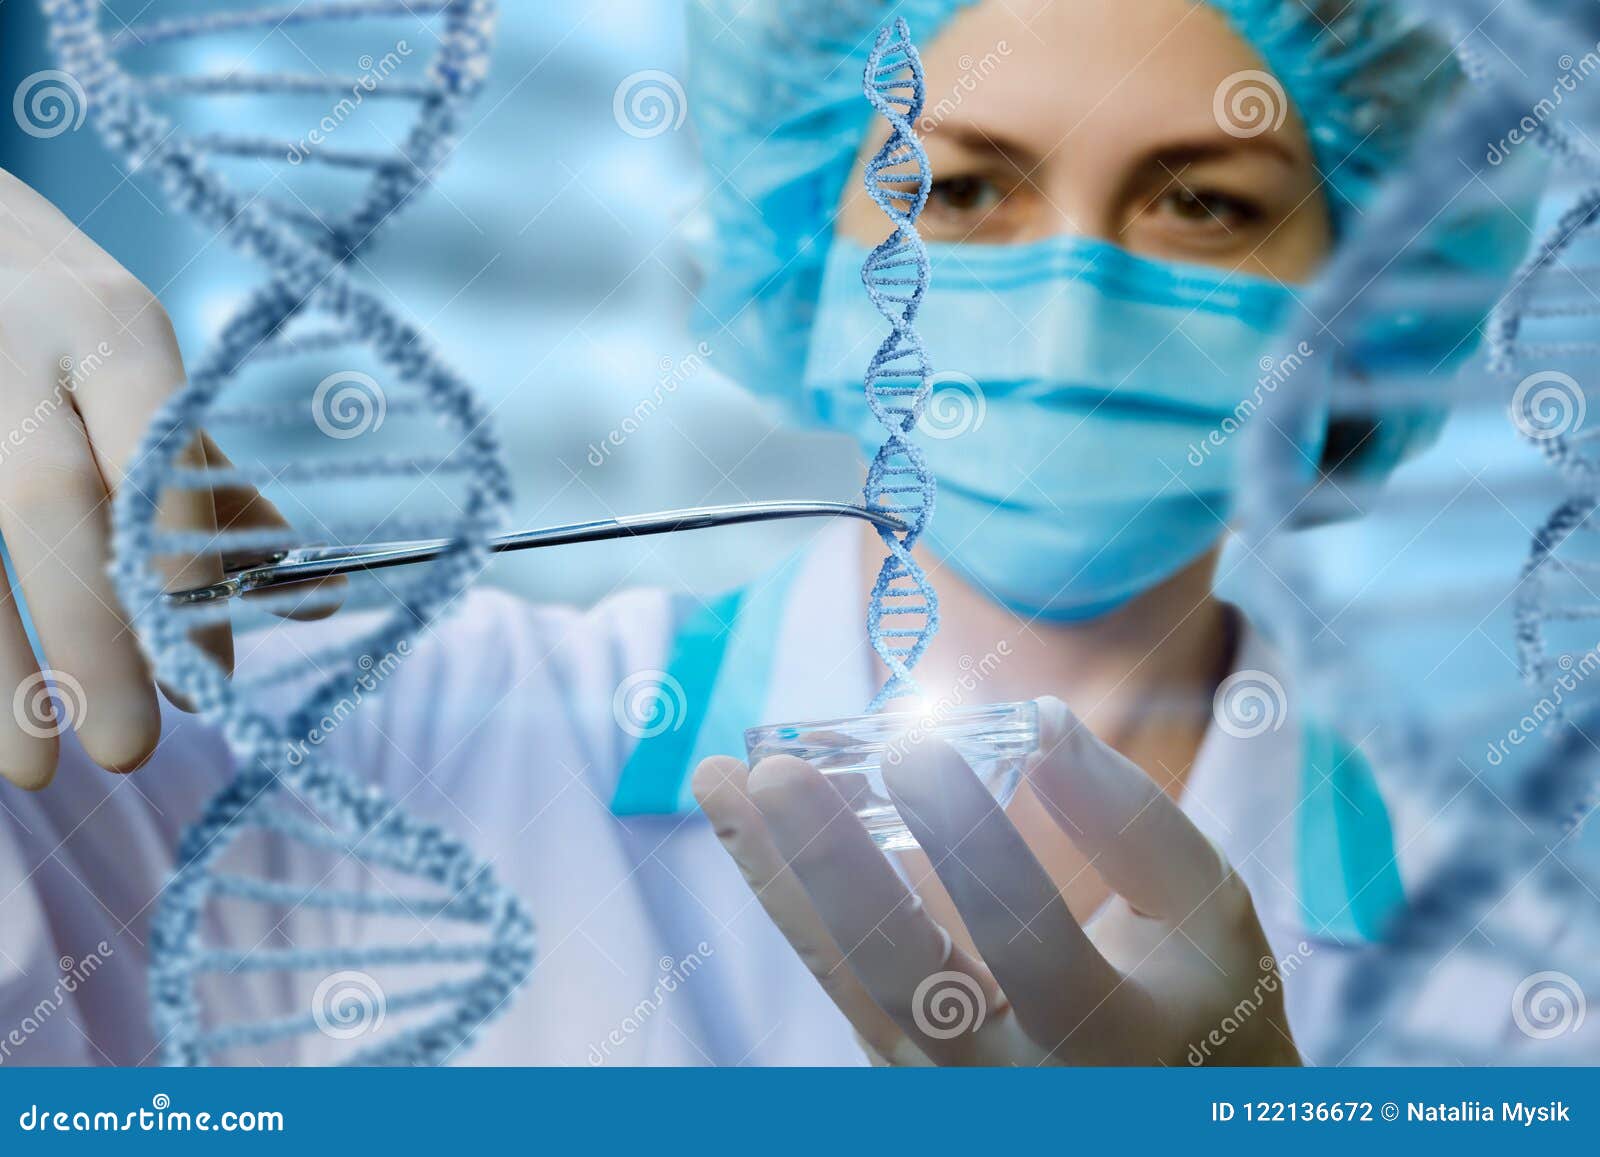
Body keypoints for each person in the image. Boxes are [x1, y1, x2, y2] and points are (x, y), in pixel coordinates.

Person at [0, 0, 1537, 1065]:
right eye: (960, 187)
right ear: (809, 248)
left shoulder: (1526, 963)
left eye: (1204, 201)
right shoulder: (368, 754)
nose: (1075, 308)